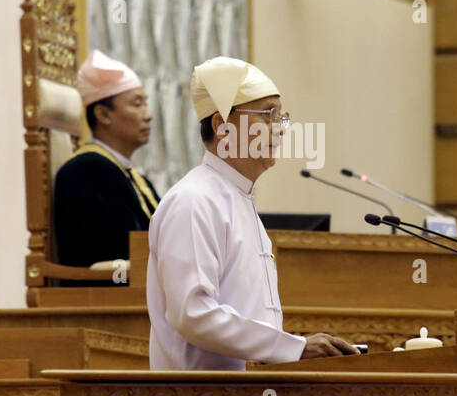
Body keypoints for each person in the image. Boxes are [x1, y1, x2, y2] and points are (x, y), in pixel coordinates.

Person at [147, 55, 357, 369]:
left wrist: (288, 351)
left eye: (281, 117)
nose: (280, 129)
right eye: (268, 115)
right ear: (221, 126)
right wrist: (292, 348)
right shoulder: (193, 201)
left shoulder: (238, 198)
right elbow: (192, 313)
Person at [52, 50, 159, 274]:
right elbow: (104, 256)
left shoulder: (129, 174)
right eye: (137, 104)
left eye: (145, 104)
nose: (148, 115)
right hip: (106, 299)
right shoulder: (85, 172)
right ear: (103, 114)